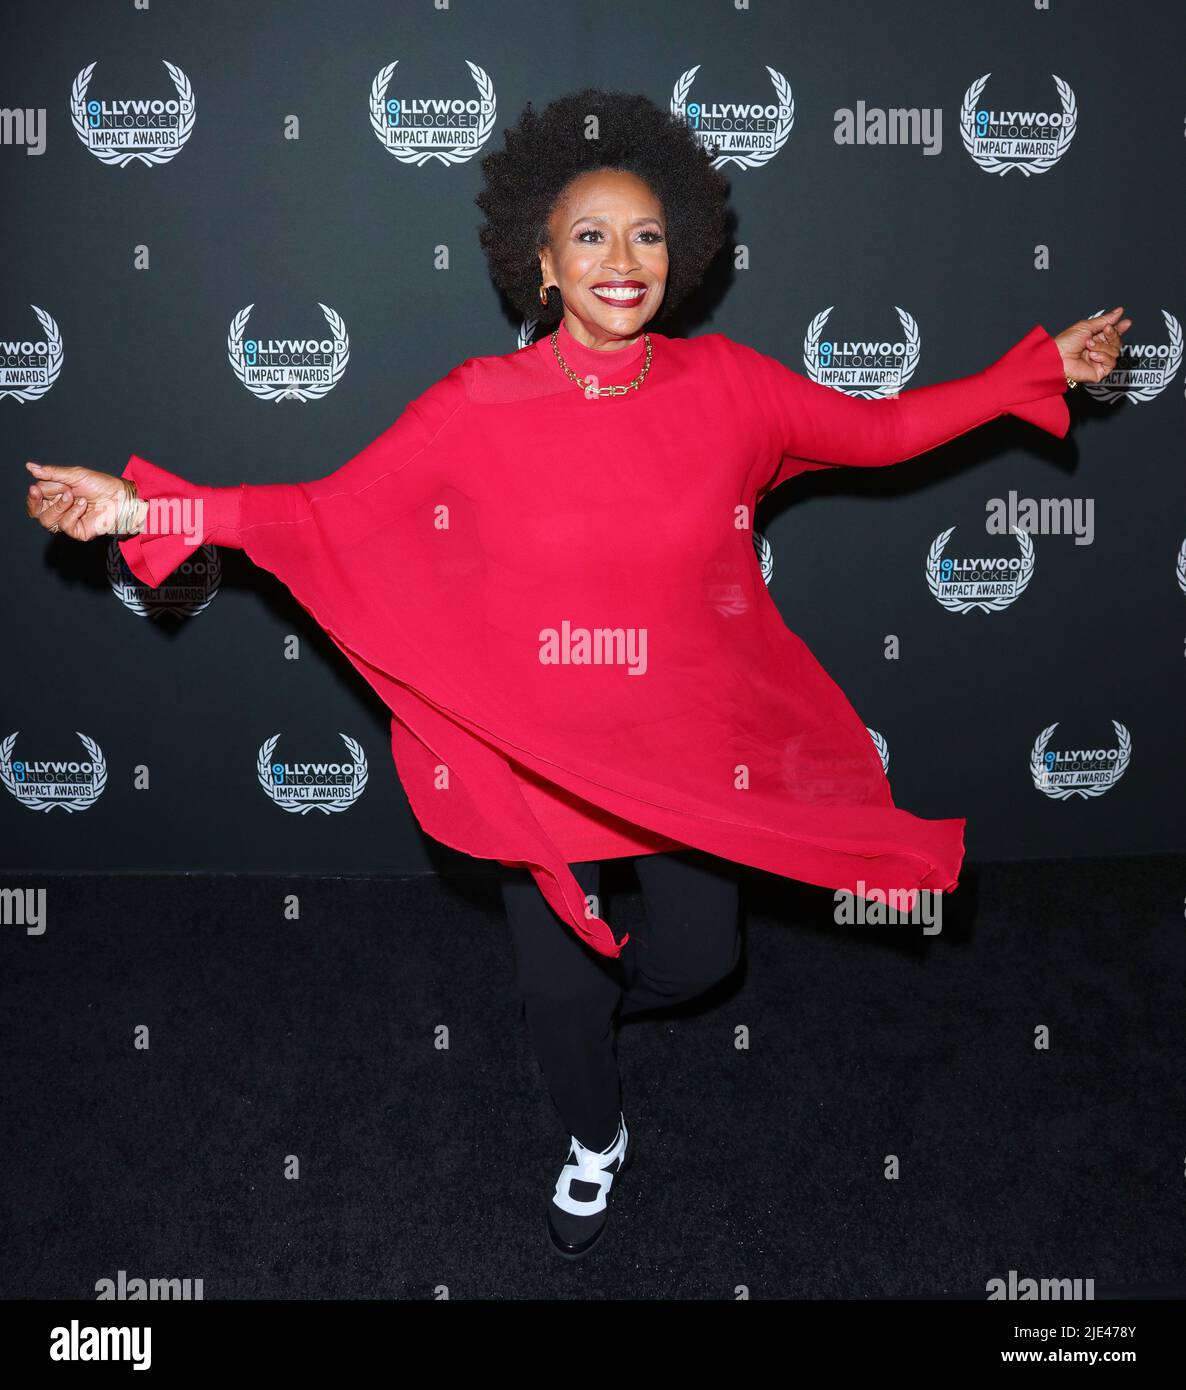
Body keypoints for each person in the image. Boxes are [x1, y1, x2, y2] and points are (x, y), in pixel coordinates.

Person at [23, 88, 1128, 1261]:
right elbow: (319, 512)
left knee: (706, 961)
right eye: (590, 236)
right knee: (558, 997)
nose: (622, 258)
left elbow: (886, 428)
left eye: (646, 235)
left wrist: (1035, 371)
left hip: (692, 745)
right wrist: (149, 506)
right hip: (535, 758)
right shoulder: (473, 406)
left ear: (682, 257)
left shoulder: (735, 390)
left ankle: (588, 1018)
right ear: (541, 267)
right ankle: (590, 1124)